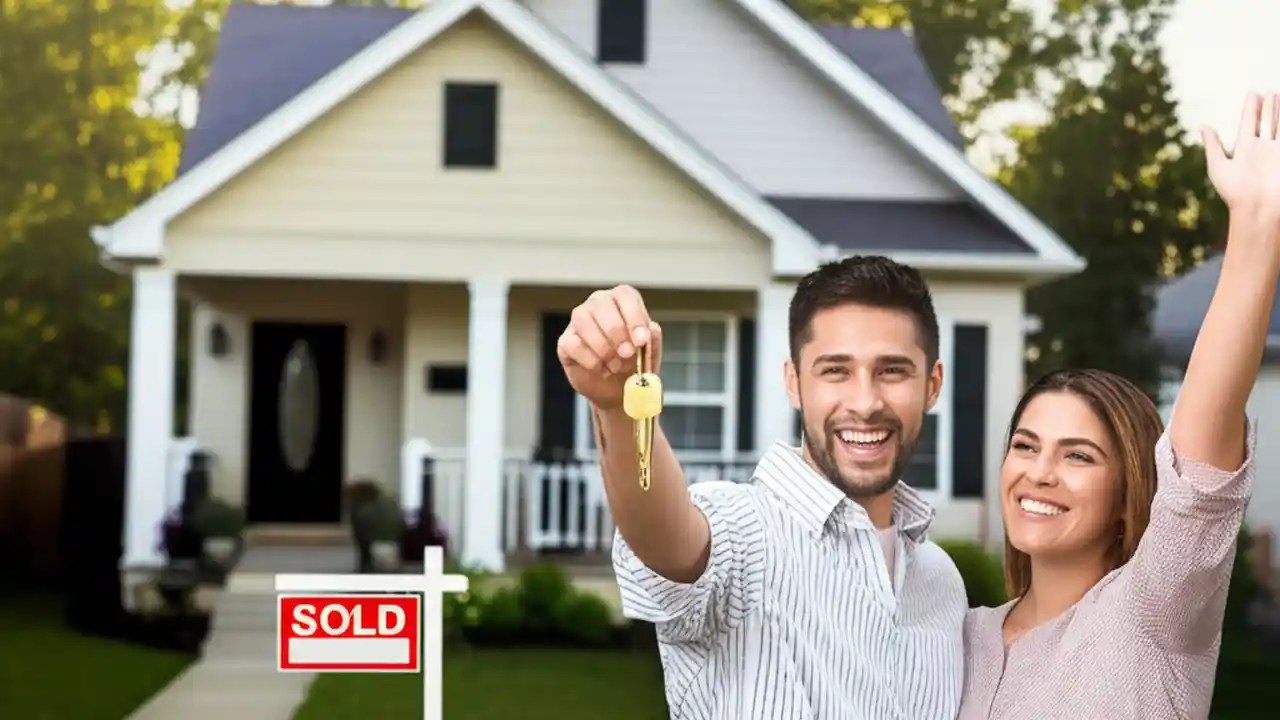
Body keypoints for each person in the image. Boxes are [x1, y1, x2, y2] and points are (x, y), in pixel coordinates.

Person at [958, 92, 1273, 720]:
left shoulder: (1152, 615)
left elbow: (1200, 458)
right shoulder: (957, 639)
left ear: (1131, 489)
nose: (1039, 472)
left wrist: (1258, 225)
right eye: (1026, 445)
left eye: (1078, 456)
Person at [557, 257, 968, 719]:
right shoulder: (744, 528)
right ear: (794, 383)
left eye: (892, 371)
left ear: (932, 385)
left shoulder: (941, 582)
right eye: (836, 371)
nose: (865, 402)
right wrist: (618, 405)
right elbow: (665, 538)